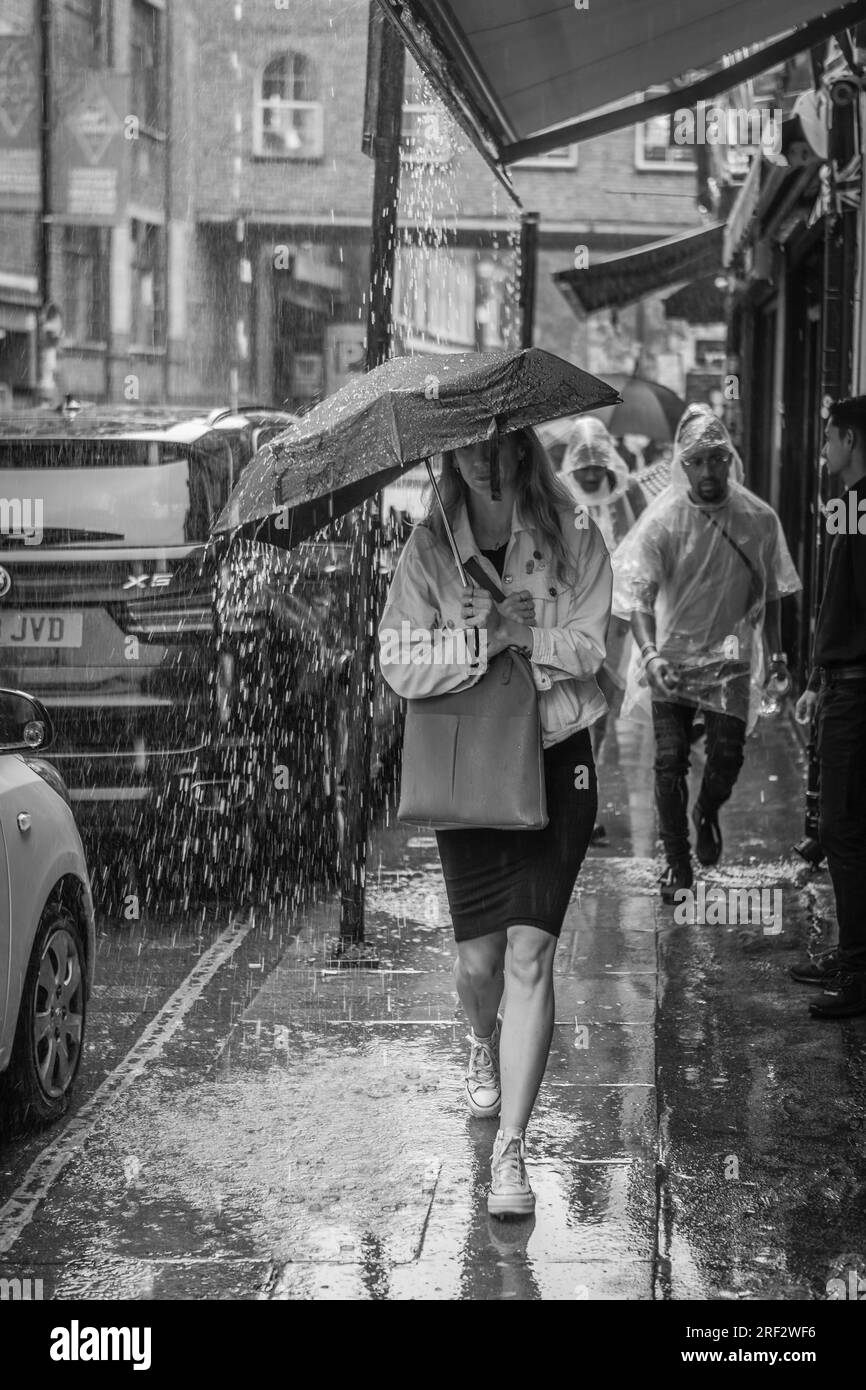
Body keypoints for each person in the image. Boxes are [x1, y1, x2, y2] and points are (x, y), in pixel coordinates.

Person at [378, 427, 612, 1216]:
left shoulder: (572, 534)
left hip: (554, 757)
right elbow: (397, 659)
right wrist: (477, 638)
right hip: (473, 765)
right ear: (449, 458)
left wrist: (524, 633)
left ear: (523, 452)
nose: (481, 460)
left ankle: (512, 1151)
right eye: (466, 449)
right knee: (478, 968)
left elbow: (588, 647)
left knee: (531, 954)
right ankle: (483, 1043)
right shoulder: (429, 548)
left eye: (498, 446)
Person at [611, 406, 801, 901]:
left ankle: (707, 810)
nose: (710, 470)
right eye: (698, 460)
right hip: (671, 661)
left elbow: (774, 595)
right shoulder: (664, 523)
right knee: (669, 762)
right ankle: (677, 862)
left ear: (730, 459)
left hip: (731, 661)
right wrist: (650, 656)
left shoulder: (758, 520)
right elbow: (639, 598)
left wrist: (777, 659)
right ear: (683, 465)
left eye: (718, 458)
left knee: (727, 756)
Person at [792, 396, 866, 1018]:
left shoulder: (860, 505)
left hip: (858, 690)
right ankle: (850, 957)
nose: (822, 451)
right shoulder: (847, 505)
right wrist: (818, 677)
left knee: (843, 828)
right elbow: (836, 601)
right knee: (842, 826)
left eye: (827, 439)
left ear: (848, 436)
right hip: (842, 683)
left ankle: (859, 972)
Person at [558, 417, 648, 841]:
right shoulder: (555, 494)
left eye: (598, 464)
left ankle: (583, 801)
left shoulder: (627, 494)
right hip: (566, 620)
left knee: (598, 714)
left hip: (614, 623)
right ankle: (574, 803)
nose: (591, 473)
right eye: (584, 465)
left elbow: (642, 555)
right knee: (569, 711)